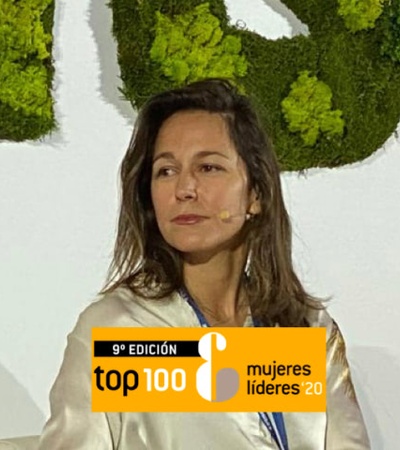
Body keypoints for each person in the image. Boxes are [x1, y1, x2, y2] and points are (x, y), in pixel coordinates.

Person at [38, 79, 370, 449]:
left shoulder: (307, 329)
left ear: (255, 194)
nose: (184, 189)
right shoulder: (114, 333)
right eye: (166, 171)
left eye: (208, 167)